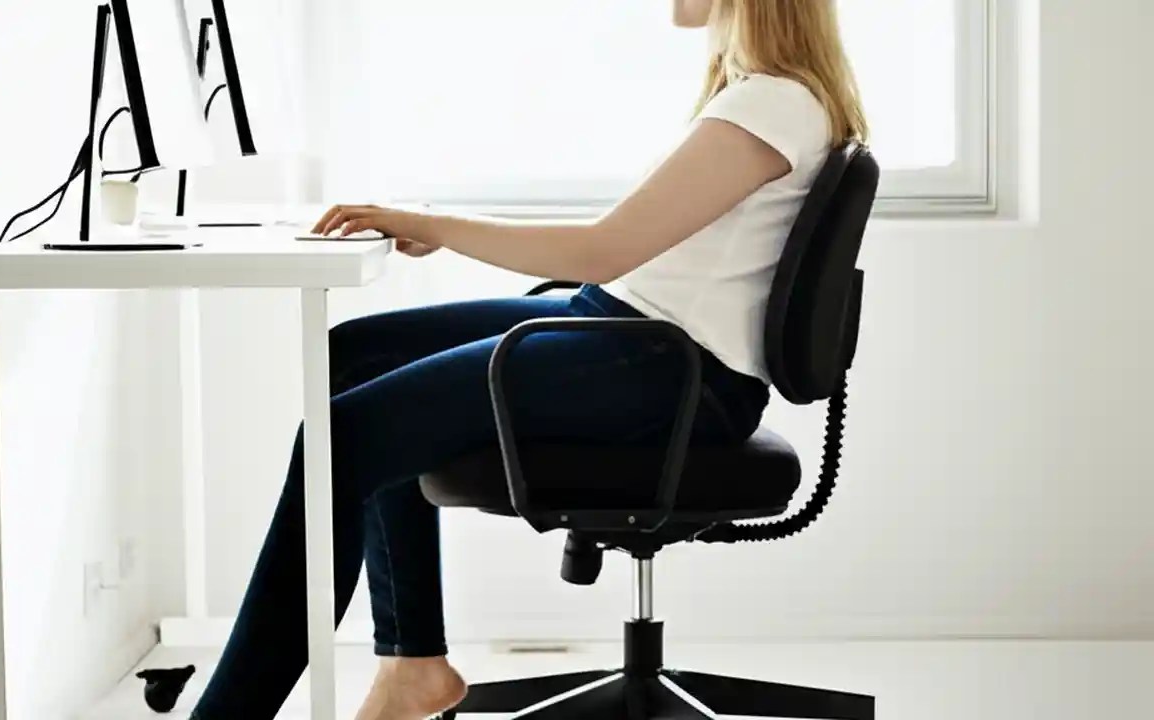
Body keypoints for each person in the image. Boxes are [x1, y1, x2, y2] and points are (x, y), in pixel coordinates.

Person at [192, 1, 868, 718]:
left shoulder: (771, 104)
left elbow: (600, 250)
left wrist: (433, 225)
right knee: (354, 355)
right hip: (628, 334)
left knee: (342, 439)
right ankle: (412, 661)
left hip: (663, 372)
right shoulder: (766, 95)